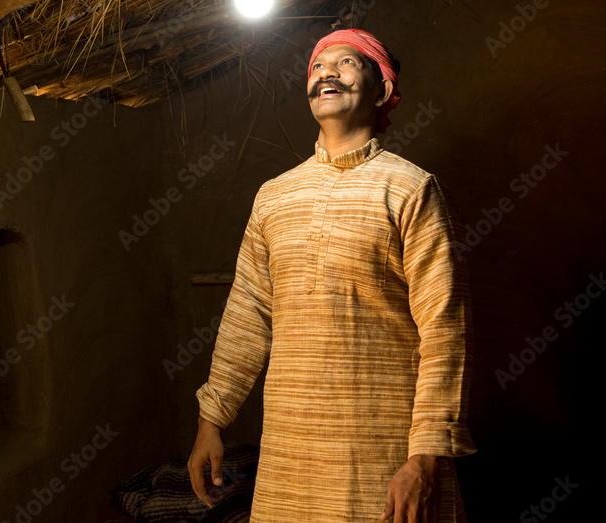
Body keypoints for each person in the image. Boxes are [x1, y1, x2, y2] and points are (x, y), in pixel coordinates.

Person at [187, 29, 476, 522]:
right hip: (290, 455)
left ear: (382, 90)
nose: (327, 72)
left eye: (346, 63)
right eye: (318, 65)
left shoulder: (410, 189)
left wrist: (424, 458)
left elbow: (445, 330)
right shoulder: (273, 197)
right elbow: (247, 315)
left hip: (384, 456)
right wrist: (210, 420)